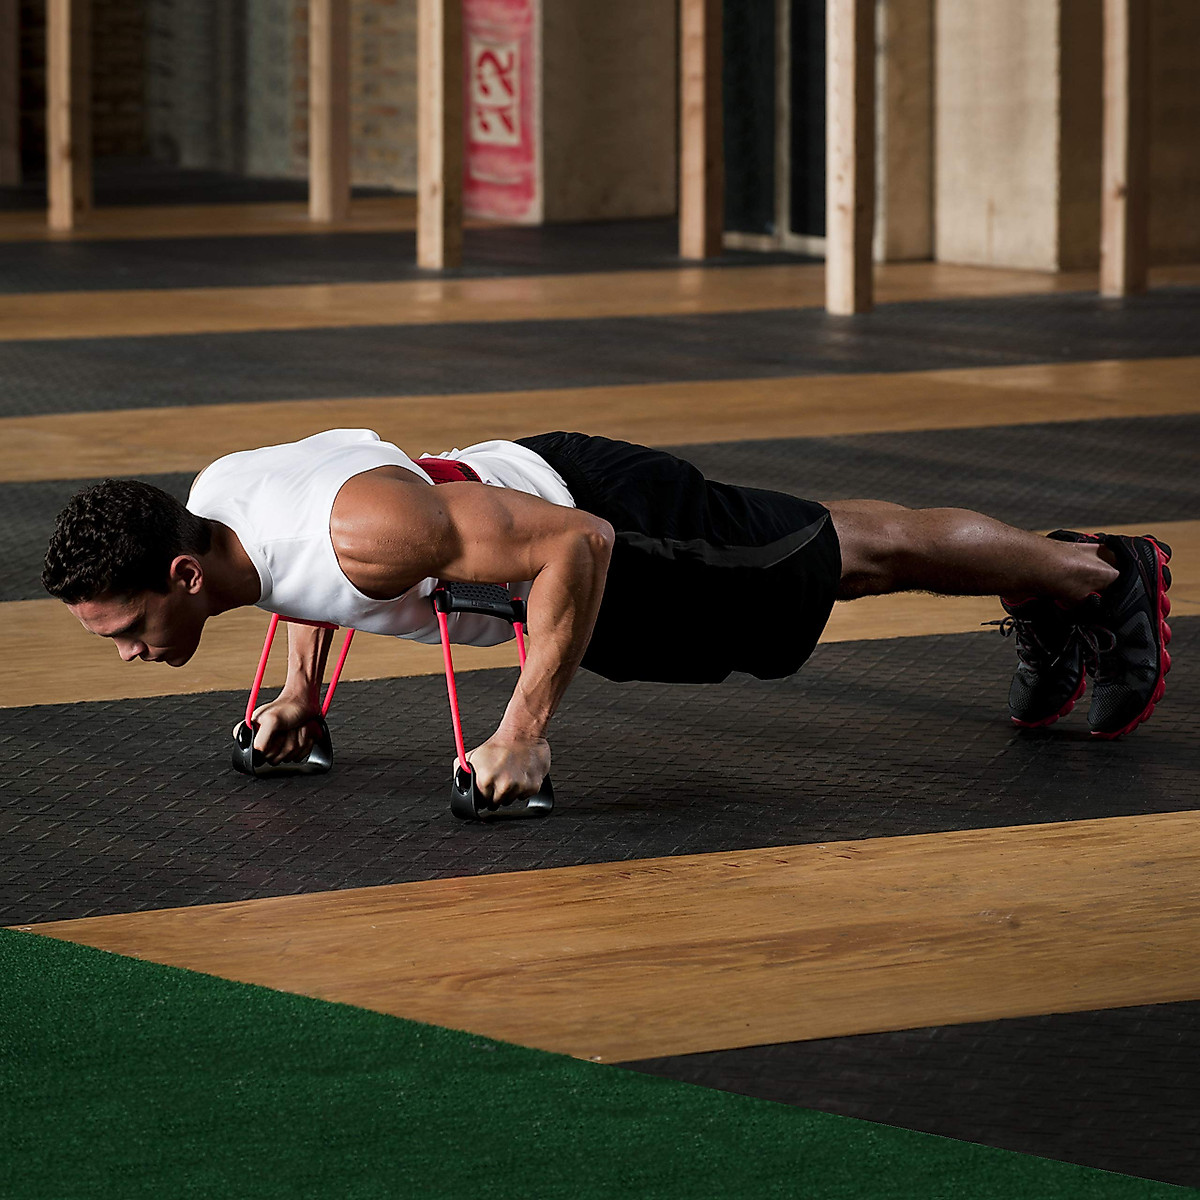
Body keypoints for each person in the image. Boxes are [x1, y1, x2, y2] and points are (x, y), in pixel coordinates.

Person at [42, 429, 1172, 803]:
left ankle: (1098, 575)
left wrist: (522, 733)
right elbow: (302, 567)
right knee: (841, 556)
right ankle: (1052, 585)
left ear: (183, 575)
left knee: (848, 557)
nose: (131, 654)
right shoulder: (221, 501)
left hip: (605, 527)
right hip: (536, 518)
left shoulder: (363, 535)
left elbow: (574, 547)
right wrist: (299, 690)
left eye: (126, 629)